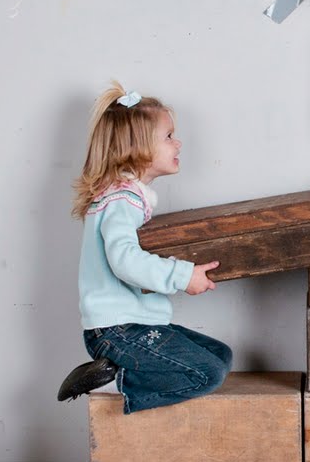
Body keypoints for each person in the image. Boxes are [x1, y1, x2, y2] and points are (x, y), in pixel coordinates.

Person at [55, 83, 232, 413]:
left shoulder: (124, 196)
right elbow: (125, 260)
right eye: (168, 136)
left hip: (132, 324)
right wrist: (182, 276)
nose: (178, 143)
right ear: (138, 148)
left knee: (221, 355)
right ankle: (113, 382)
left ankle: (119, 374)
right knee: (209, 373)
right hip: (117, 330)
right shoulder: (122, 200)